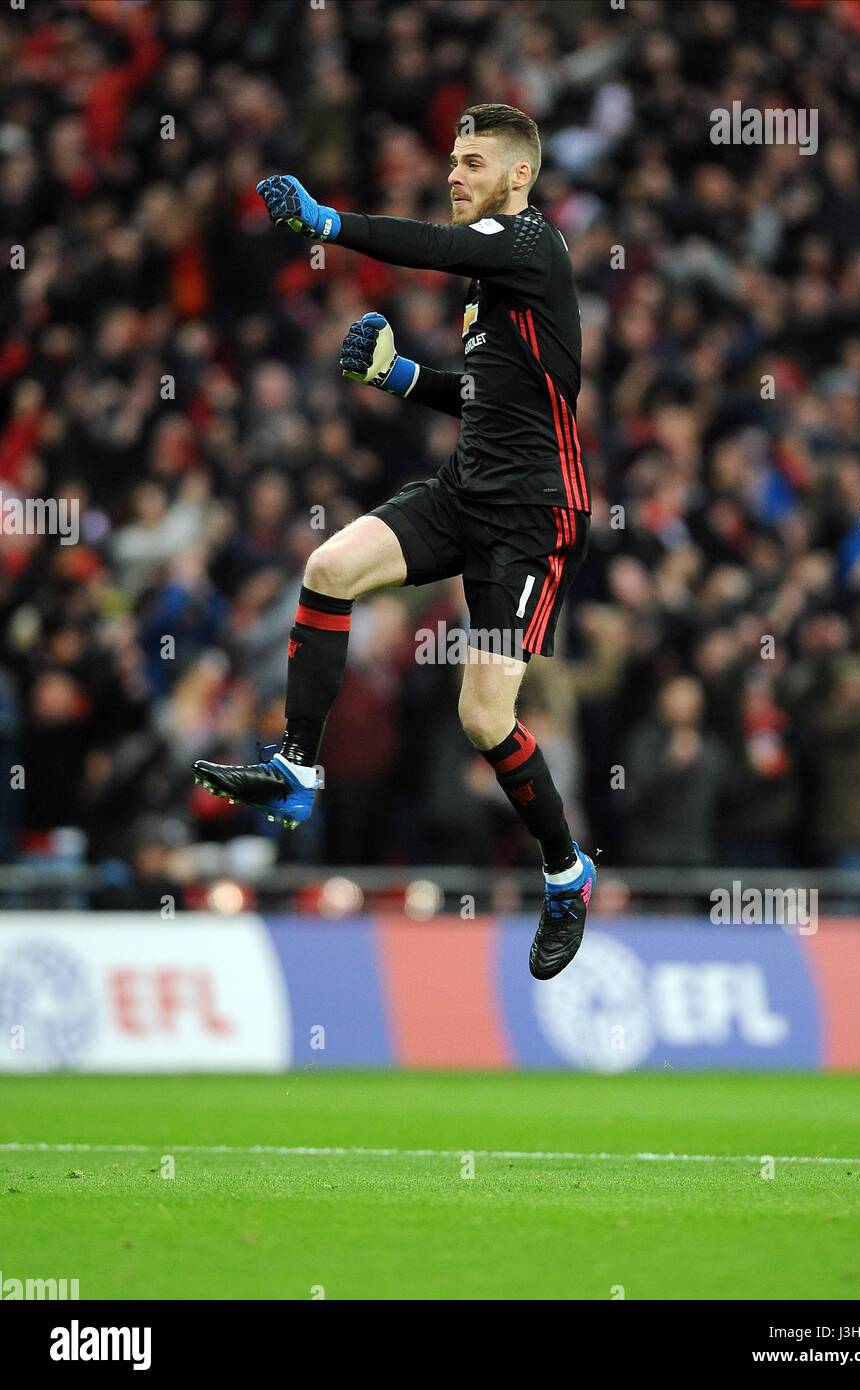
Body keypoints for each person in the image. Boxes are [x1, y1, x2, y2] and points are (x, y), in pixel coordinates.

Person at [193, 104, 597, 978]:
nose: (454, 173)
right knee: (329, 565)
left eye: (473, 161)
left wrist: (330, 224)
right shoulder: (497, 284)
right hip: (465, 492)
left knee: (483, 715)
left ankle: (565, 873)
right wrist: (398, 376)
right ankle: (299, 767)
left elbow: (431, 247)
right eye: (451, 159)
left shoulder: (527, 243)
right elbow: (488, 399)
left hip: (531, 517)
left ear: (518, 176)